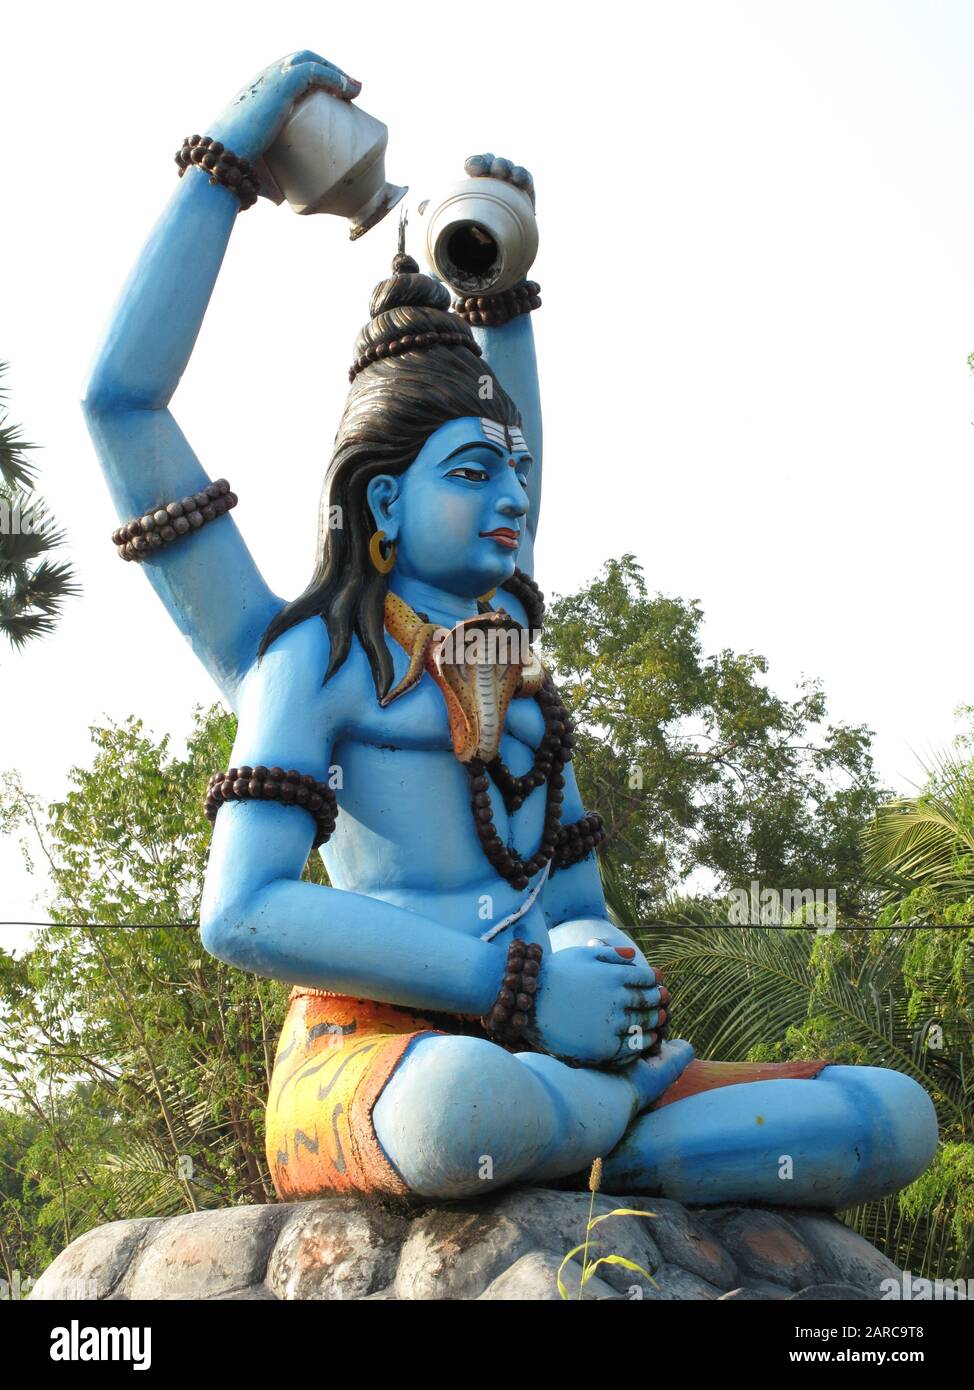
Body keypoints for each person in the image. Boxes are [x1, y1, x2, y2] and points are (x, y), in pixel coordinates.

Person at [84, 51, 938, 1206]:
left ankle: (608, 1137)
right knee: (462, 1111)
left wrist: (499, 284)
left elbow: (572, 903)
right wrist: (224, 164)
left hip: (581, 1050)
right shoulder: (306, 653)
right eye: (473, 472)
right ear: (384, 500)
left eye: (517, 476)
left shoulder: (501, 643)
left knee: (885, 1116)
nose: (509, 501)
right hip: (389, 1059)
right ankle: (605, 1135)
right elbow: (240, 909)